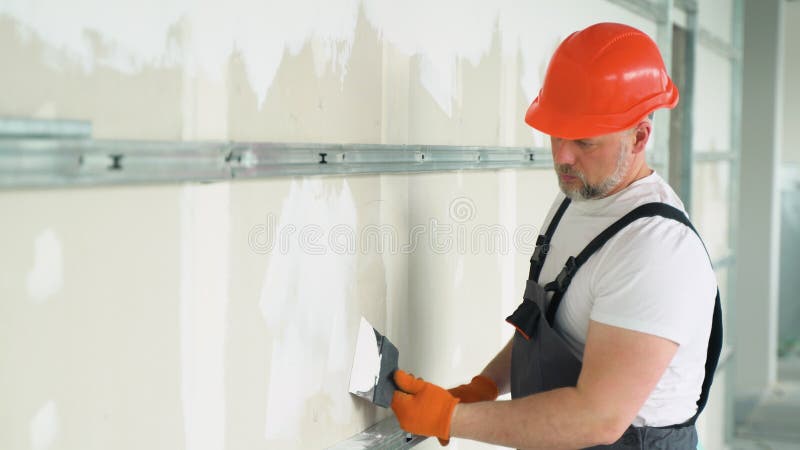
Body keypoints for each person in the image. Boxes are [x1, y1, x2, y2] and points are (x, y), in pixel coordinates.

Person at [390, 22, 722, 449]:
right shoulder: (577, 197)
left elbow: (597, 418)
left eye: (584, 142)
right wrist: (485, 385)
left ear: (640, 136)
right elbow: (547, 329)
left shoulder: (654, 250)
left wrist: (452, 418)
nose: (563, 156)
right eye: (556, 134)